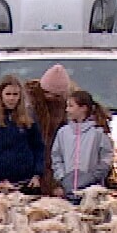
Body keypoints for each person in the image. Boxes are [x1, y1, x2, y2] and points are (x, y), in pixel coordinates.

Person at [0, 74, 46, 193]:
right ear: (1, 95)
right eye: (8, 94)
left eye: (15, 94)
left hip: (24, 183)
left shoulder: (29, 118)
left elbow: (38, 147)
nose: (11, 98)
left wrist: (37, 174)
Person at [51, 88, 114, 200]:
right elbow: (56, 156)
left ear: (83, 108)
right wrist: (62, 177)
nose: (67, 110)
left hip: (92, 192)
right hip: (68, 190)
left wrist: (94, 176)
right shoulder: (63, 132)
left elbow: (107, 157)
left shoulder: (98, 132)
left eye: (71, 106)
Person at [31, 65, 73, 194]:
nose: (50, 97)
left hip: (56, 167)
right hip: (32, 168)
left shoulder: (68, 108)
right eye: (47, 93)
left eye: (56, 95)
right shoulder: (30, 106)